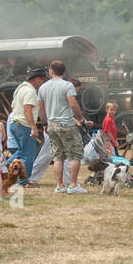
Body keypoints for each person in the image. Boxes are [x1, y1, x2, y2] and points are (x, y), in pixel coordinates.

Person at [37, 60, 88, 193]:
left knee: (58, 156)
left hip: (52, 125)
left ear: (51, 71)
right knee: (74, 154)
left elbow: (40, 109)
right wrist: (80, 118)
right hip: (66, 124)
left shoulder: (43, 87)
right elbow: (72, 104)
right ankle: (73, 185)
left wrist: (45, 123)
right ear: (63, 72)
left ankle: (59, 186)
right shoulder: (67, 85)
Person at [8, 67, 46, 187]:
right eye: (41, 79)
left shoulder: (20, 89)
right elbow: (27, 110)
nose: (42, 83)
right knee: (28, 154)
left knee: (20, 152)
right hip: (24, 125)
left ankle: (2, 168)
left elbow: (13, 107)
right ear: (35, 79)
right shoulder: (30, 91)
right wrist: (33, 127)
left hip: (15, 123)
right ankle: (23, 181)